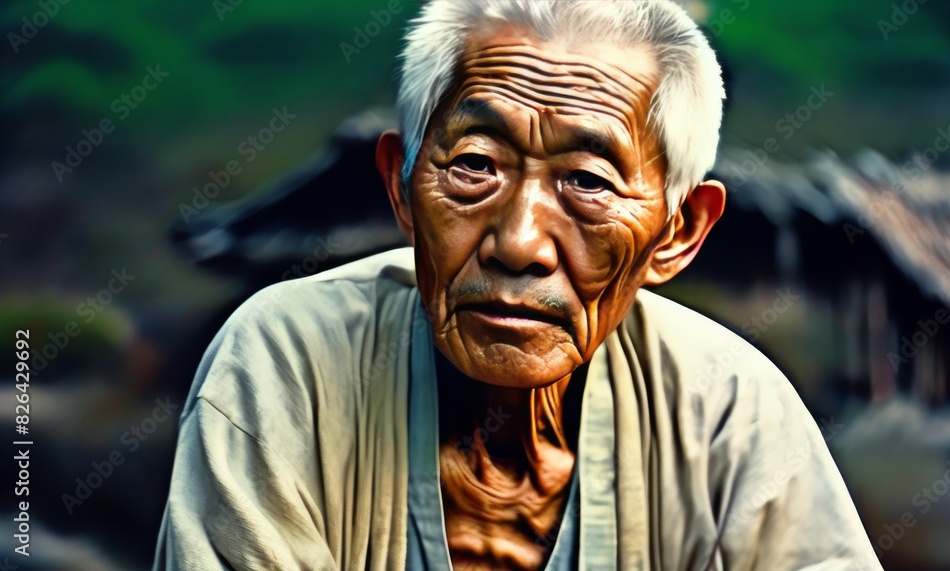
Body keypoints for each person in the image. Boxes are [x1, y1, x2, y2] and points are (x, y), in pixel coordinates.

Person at [155, 1, 881, 569]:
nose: (519, 242)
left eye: (589, 181)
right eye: (474, 164)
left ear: (678, 231)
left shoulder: (730, 409)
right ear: (401, 189)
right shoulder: (286, 366)